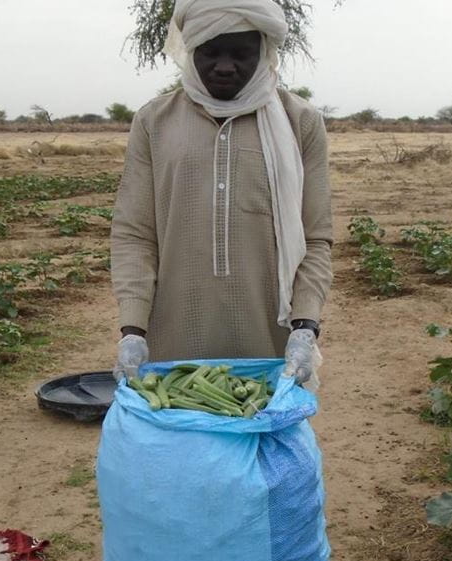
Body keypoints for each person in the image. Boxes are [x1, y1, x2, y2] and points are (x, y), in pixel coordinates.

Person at [111, 0, 332, 388]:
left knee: (263, 443)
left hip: (271, 344)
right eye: (211, 51)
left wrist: (305, 327)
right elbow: (134, 234)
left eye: (242, 54)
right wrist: (132, 329)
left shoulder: (301, 123)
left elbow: (315, 237)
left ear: (264, 52)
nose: (226, 66)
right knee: (180, 442)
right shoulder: (154, 122)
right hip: (173, 343)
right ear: (191, 49)